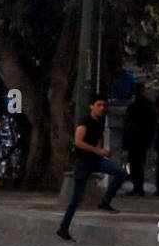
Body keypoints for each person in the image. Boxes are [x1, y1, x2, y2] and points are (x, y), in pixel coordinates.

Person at [54, 94, 130, 234]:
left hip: (96, 160)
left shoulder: (100, 121)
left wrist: (102, 151)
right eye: (99, 105)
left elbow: (99, 137)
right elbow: (78, 142)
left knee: (121, 173)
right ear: (92, 106)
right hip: (83, 162)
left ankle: (105, 201)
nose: (102, 108)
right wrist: (97, 150)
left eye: (104, 105)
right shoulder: (84, 121)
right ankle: (64, 228)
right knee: (76, 199)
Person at [123, 84, 157, 196]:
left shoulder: (140, 106)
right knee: (136, 163)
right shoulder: (139, 105)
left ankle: (138, 187)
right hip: (138, 138)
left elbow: (152, 122)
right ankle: (137, 186)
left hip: (139, 137)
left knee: (137, 163)